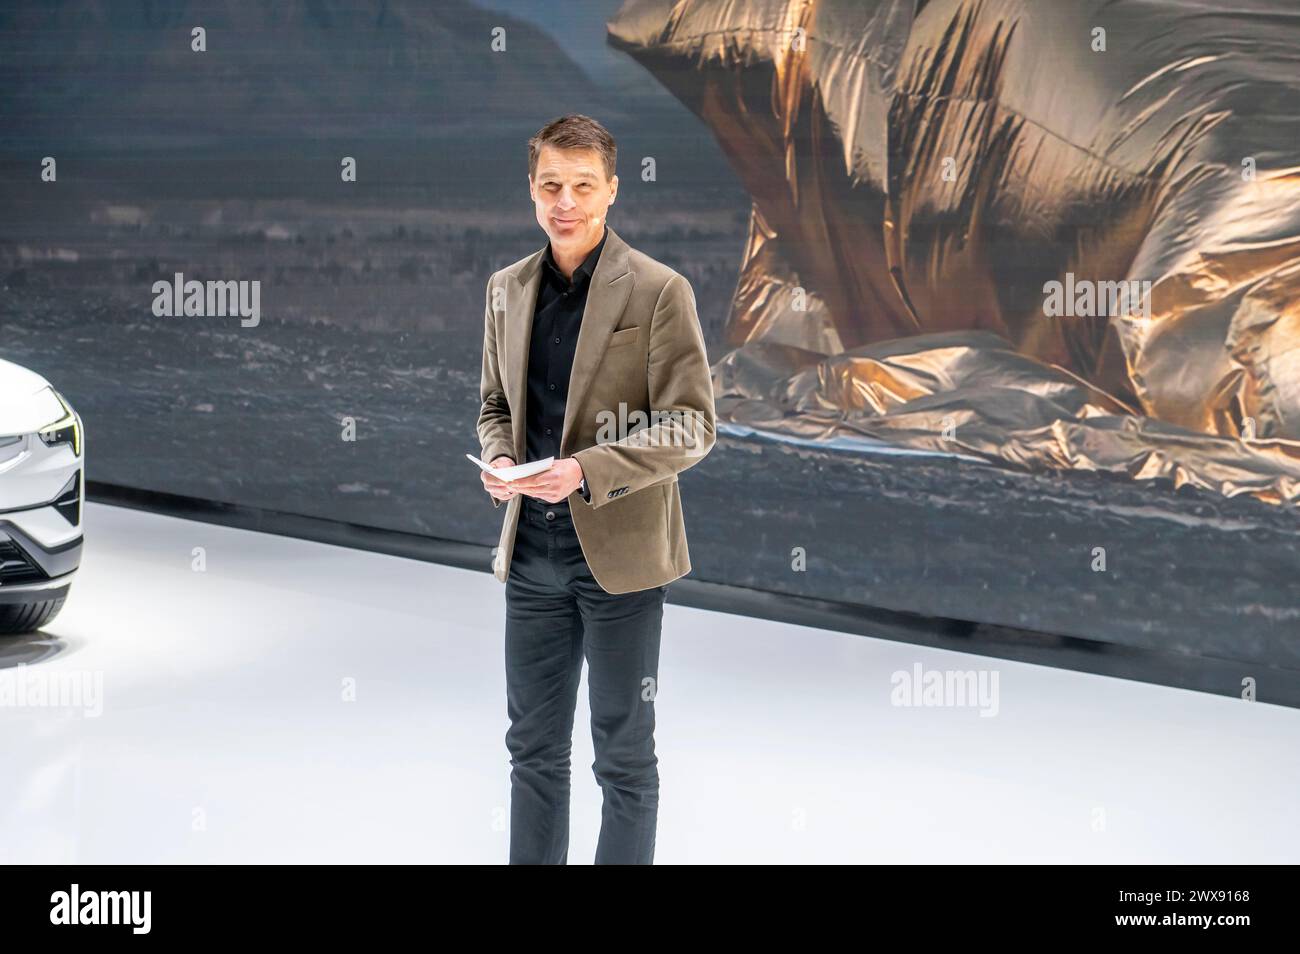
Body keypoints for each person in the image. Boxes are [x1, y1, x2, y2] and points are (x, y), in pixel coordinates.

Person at [475, 114, 716, 864]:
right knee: (533, 754)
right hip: (532, 559)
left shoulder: (658, 291)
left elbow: (691, 425)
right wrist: (497, 460)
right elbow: (496, 407)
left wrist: (587, 471)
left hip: (621, 559)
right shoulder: (506, 290)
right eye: (552, 185)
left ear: (612, 190)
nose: (566, 201)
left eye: (583, 185)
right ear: (532, 190)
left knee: (622, 758)